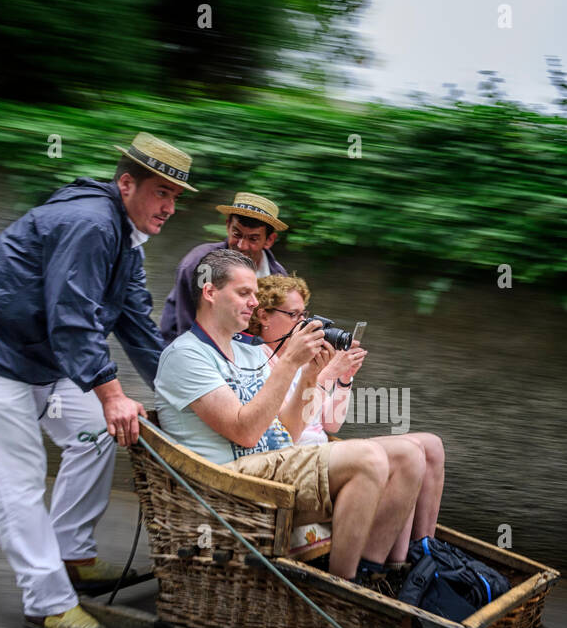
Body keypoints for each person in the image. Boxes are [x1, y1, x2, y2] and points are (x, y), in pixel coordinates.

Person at [0, 132, 196, 628]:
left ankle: (71, 554)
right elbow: (72, 321)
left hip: (36, 360)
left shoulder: (124, 238)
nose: (170, 208)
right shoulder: (90, 224)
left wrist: (193, 392)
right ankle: (47, 601)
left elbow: (135, 325)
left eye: (176, 197)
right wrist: (112, 392)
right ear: (126, 184)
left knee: (96, 428)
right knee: (18, 479)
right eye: (161, 193)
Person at [153, 250, 426, 584]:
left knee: (409, 454)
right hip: (225, 483)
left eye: (255, 294)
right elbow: (246, 433)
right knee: (368, 457)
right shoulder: (186, 356)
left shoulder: (248, 350)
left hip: (271, 465)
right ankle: (342, 590)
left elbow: (286, 430)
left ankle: (373, 576)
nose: (254, 303)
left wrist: (311, 376)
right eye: (244, 293)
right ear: (210, 293)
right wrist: (288, 364)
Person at [250, 274, 446, 569]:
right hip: (298, 460)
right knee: (410, 455)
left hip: (322, 447)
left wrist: (343, 378)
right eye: (294, 315)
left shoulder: (302, 357)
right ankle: (382, 570)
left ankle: (422, 555)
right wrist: (325, 374)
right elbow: (285, 433)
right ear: (264, 317)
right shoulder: (258, 362)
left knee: (431, 445)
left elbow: (331, 424)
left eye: (305, 315)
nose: (304, 324)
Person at [159, 192, 288, 347]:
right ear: (227, 226)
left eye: (253, 239)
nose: (241, 246)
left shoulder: (279, 279)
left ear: (269, 240)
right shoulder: (199, 266)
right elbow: (188, 327)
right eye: (236, 234)